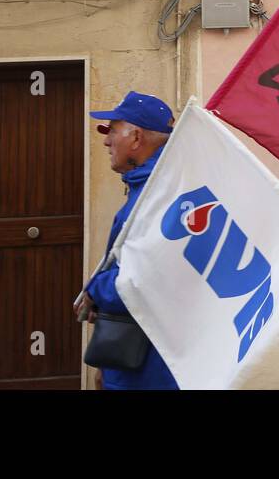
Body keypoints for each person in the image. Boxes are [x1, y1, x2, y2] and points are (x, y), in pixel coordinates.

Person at [75, 91, 179, 390]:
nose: (106, 141)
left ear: (135, 137)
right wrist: (108, 364)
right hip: (136, 359)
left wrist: (95, 290)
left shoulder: (157, 194)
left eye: (112, 130)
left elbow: (143, 280)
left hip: (151, 368)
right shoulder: (151, 186)